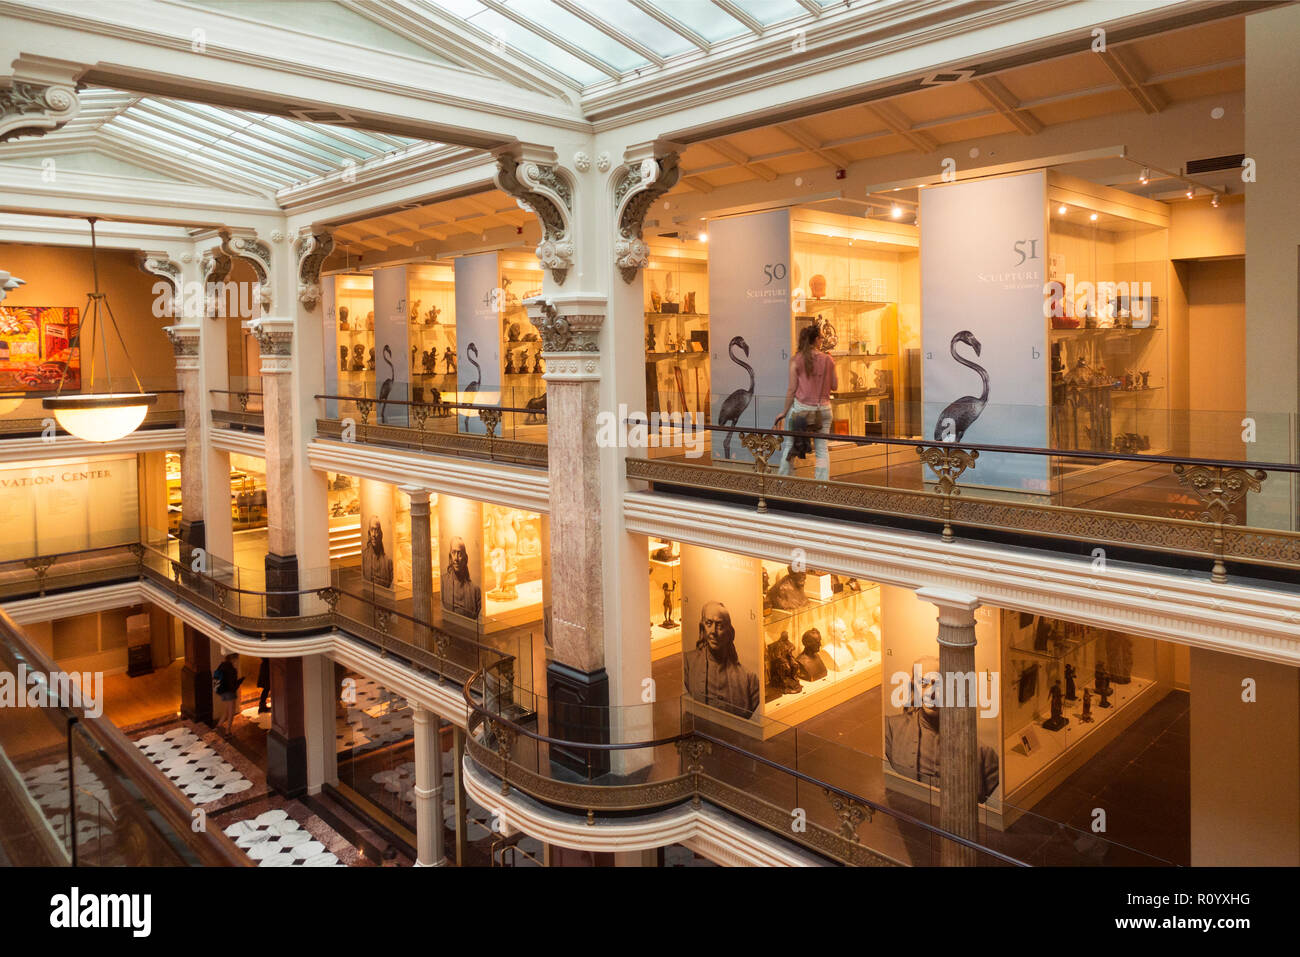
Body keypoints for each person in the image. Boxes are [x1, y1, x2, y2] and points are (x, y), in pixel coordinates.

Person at [884, 656, 999, 804]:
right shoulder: (891, 729)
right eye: (923, 684)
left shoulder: (983, 754)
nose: (931, 693)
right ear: (914, 687)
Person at [775, 323, 837, 481]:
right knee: (822, 449)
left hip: (801, 410)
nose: (822, 340)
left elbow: (791, 389)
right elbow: (835, 386)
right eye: (821, 338)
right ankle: (822, 485)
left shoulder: (796, 360)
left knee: (790, 445)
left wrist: (783, 412)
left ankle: (783, 481)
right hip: (823, 410)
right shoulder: (828, 360)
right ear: (816, 339)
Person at [682, 601, 759, 719]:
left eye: (719, 625)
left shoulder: (749, 679)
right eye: (709, 623)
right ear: (702, 628)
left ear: (729, 632)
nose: (713, 631)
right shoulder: (688, 663)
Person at [440, 536, 482, 618]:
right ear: (450, 557)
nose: (456, 558)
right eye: (453, 553)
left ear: (466, 558)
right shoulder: (443, 582)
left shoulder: (475, 590)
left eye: (459, 553)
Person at [213, 653, 243, 735]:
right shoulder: (232, 669)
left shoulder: (221, 665)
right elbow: (233, 685)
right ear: (234, 659)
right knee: (231, 712)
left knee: (226, 709)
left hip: (222, 691)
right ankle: (228, 731)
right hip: (230, 692)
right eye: (237, 659)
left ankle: (218, 725)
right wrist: (240, 681)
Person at [361, 515, 394, 588]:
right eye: (371, 530)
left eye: (376, 530)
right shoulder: (364, 557)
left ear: (381, 534)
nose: (373, 534)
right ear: (369, 533)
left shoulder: (388, 562)